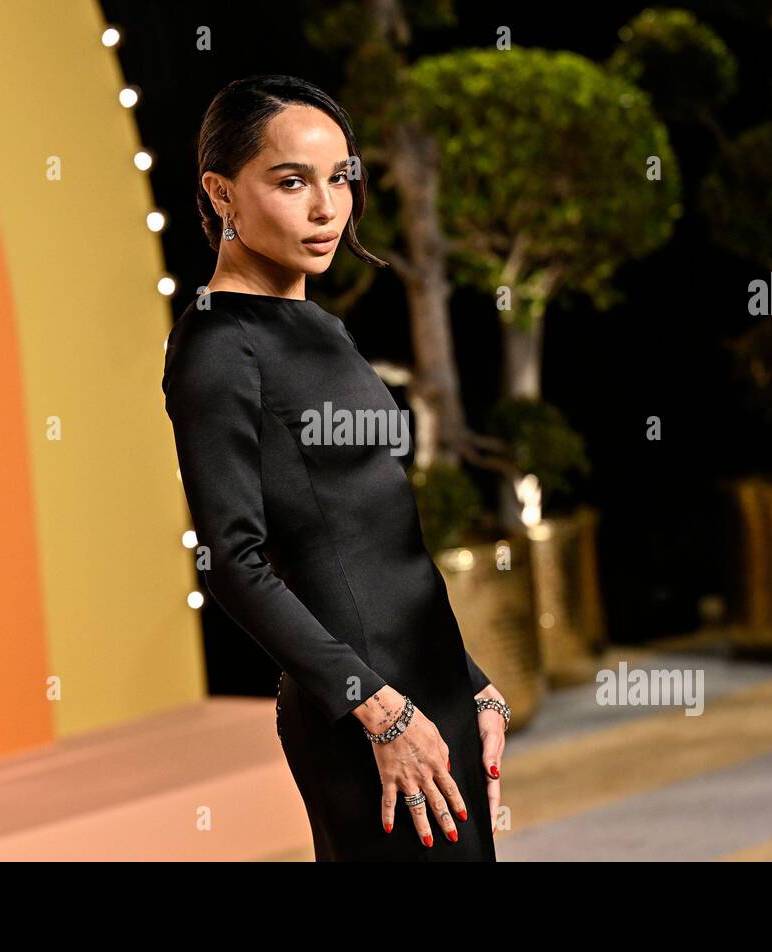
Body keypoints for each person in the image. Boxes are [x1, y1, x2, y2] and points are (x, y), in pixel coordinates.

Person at [162, 74, 509, 859]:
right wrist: (377, 709)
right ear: (221, 193)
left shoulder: (321, 326)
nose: (327, 208)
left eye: (340, 178)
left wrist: (469, 677)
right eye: (292, 182)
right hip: (363, 715)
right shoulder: (216, 348)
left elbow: (374, 540)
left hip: (430, 692)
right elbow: (232, 563)